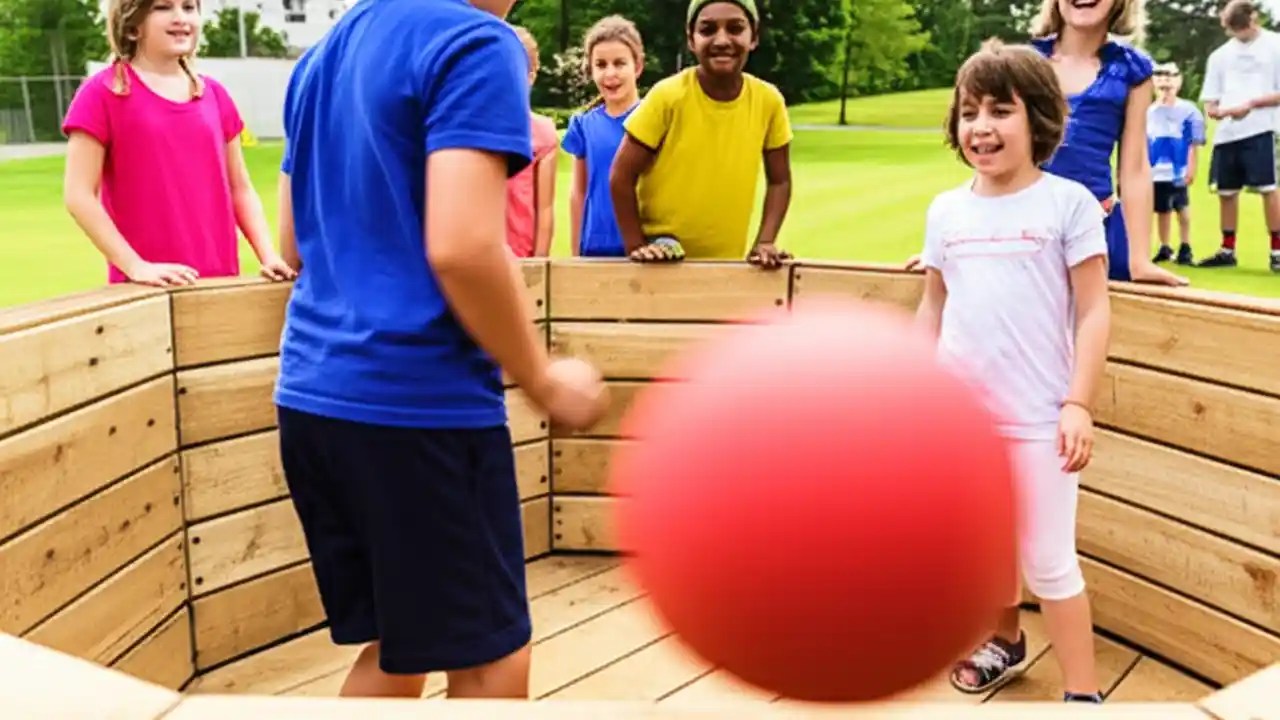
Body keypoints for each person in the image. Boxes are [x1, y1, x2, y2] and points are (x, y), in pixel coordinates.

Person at [273, 0, 609, 700]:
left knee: (397, 649)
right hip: (417, 409)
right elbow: (461, 247)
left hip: (311, 397)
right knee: (491, 660)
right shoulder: (477, 43)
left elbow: (291, 245)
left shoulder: (325, 54)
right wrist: (542, 380)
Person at [914, 40, 1111, 705]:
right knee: (984, 547)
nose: (982, 127)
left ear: (1040, 121)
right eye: (970, 111)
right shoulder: (945, 211)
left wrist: (1077, 405)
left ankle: (1083, 696)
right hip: (960, 418)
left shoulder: (1069, 205)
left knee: (1051, 563)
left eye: (1002, 110)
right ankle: (1006, 643)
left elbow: (1093, 312)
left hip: (1040, 420)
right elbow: (934, 302)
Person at [905, 0, 1187, 287]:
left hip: (1095, 228)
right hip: (1021, 230)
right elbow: (993, 155)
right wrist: (949, 246)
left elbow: (1135, 167)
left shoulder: (1131, 70)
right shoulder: (1024, 64)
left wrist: (1138, 259)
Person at [61, 0, 295, 288]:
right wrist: (136, 266)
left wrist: (268, 255)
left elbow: (240, 189)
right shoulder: (102, 94)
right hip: (145, 292)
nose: (180, 18)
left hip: (218, 285)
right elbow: (78, 195)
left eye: (188, 7)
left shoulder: (215, 95)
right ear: (133, 26)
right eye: (163, 7)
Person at [608, 0, 792, 269]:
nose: (722, 40)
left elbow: (780, 181)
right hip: (662, 262)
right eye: (707, 30)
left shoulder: (768, 101)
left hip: (726, 267)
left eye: (735, 28)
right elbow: (620, 177)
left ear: (754, 37)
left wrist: (765, 241)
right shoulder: (668, 96)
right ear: (691, 40)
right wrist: (637, 246)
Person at [1198, 0, 1280, 273]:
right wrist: (1216, 111)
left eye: (1243, 28)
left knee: (1268, 188)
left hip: (1262, 129)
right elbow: (1210, 99)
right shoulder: (1220, 56)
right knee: (1226, 192)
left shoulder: (1274, 46)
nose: (1240, 34)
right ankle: (1227, 249)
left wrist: (1252, 104)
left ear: (1254, 19)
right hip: (1228, 133)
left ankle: (1277, 251)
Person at [562, 15, 646, 258]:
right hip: (595, 247)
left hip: (644, 248)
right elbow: (578, 192)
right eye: (601, 64)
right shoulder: (583, 125)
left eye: (620, 63)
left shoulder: (655, 120)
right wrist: (576, 252)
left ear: (637, 67)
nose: (610, 73)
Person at [505, 26, 560, 259]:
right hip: (479, 258)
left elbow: (545, 208)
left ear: (531, 75)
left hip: (522, 254)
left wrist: (539, 261)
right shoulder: (470, 128)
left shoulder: (543, 134)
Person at [1147, 62, 1205, 266]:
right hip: (1155, 170)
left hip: (1177, 168)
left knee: (1182, 207)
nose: (1165, 81)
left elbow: (1193, 143)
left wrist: (1191, 167)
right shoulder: (1148, 111)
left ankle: (1185, 245)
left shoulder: (1188, 110)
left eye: (1170, 76)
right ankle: (1165, 245)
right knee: (1162, 209)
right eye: (1160, 76)